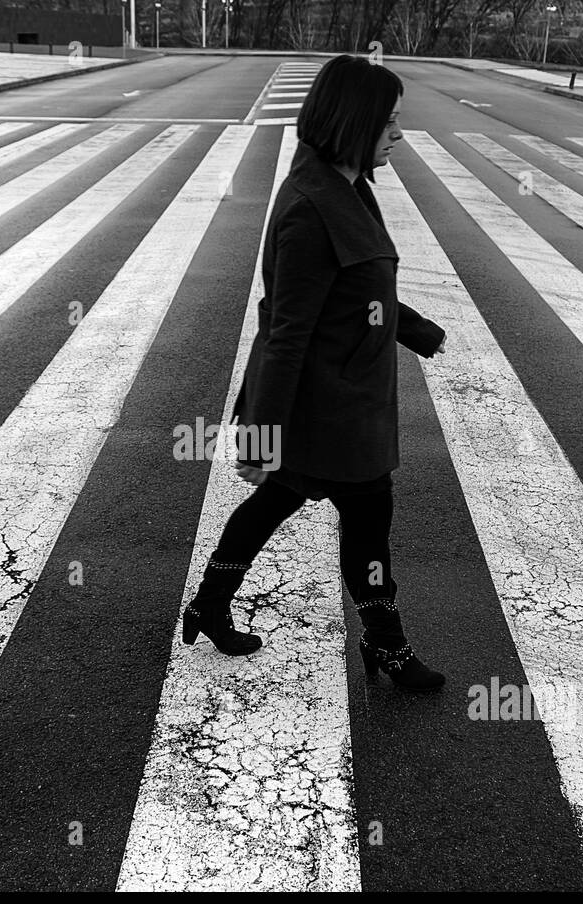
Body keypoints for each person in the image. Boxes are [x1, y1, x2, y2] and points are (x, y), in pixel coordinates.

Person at [181, 55, 448, 692]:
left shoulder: (346, 184)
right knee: (366, 529)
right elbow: (285, 333)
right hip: (329, 409)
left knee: (279, 502)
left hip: (343, 398)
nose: (399, 135)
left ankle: (211, 604)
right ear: (353, 124)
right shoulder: (312, 207)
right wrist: (258, 437)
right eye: (387, 124)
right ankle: (388, 646)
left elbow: (354, 291)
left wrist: (414, 330)